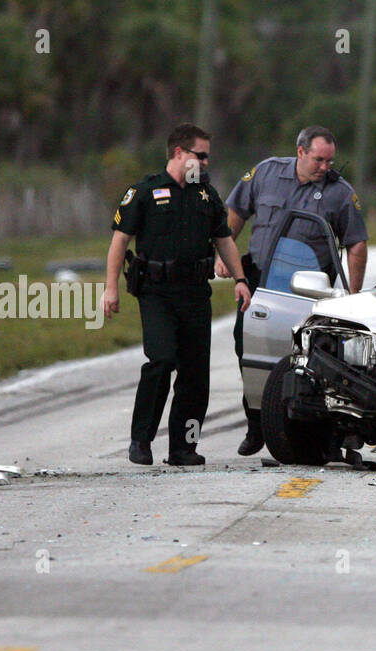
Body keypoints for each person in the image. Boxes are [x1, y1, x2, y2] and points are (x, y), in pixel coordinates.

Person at [102, 123, 251, 466]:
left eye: (208, 157)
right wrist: (111, 289)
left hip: (196, 292)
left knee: (196, 374)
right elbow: (119, 241)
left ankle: (184, 446)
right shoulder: (144, 191)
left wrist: (240, 279)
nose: (206, 162)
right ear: (179, 153)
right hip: (156, 291)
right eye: (201, 155)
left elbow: (224, 238)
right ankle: (141, 439)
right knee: (162, 359)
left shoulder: (206, 194)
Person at [217, 125, 368, 455]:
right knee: (249, 351)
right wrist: (224, 255)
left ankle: (327, 431)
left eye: (330, 161)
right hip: (260, 281)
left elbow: (356, 244)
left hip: (310, 289)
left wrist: (352, 299)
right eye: (319, 160)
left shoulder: (340, 193)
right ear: (300, 152)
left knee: (313, 360)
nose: (326, 167)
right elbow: (234, 213)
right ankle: (257, 424)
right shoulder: (266, 173)